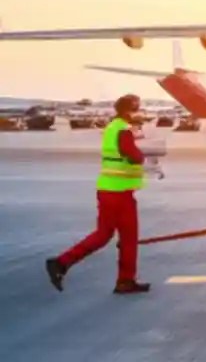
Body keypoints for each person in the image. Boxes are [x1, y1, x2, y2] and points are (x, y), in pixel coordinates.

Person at [46, 94, 150, 294]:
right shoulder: (124, 130)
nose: (139, 113)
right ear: (128, 111)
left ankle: (62, 263)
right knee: (128, 237)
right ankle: (124, 280)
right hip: (119, 194)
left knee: (104, 234)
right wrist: (143, 155)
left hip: (108, 190)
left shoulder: (112, 127)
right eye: (136, 109)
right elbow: (133, 155)